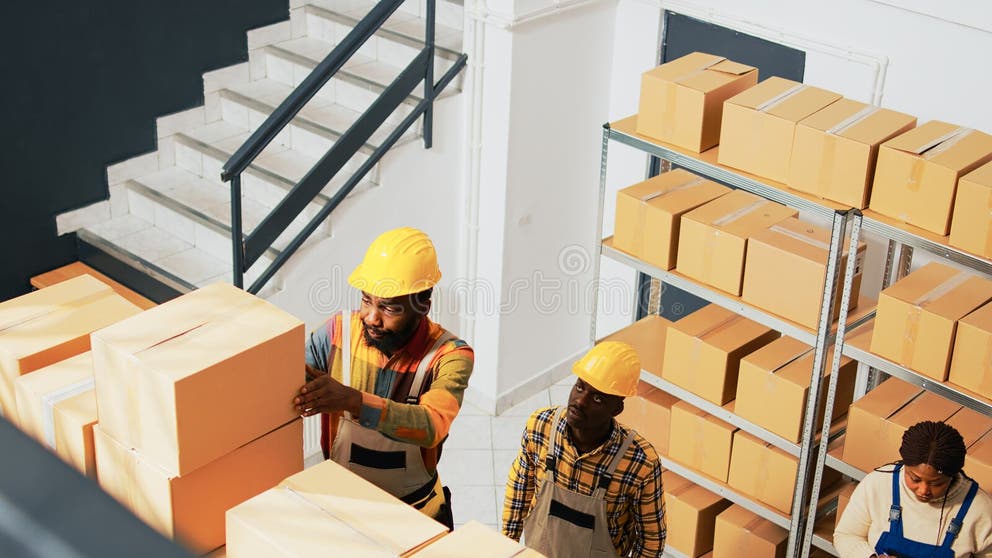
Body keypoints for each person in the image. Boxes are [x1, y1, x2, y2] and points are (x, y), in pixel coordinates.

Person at [293, 227, 474, 530]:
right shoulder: (338, 333)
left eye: (388, 307)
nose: (371, 317)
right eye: (367, 300)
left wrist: (351, 400)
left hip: (415, 516)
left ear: (423, 305)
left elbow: (431, 425)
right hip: (345, 509)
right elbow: (286, 378)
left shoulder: (450, 355)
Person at [502, 341, 666, 558]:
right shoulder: (541, 428)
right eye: (580, 387)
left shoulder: (640, 463)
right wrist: (505, 547)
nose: (580, 401)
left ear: (617, 409)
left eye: (597, 398)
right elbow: (519, 491)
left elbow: (651, 541)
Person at [835, 420, 992, 558]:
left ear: (952, 475)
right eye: (915, 479)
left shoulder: (979, 509)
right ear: (905, 465)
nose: (923, 490)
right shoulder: (879, 483)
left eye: (937, 484)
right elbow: (846, 535)